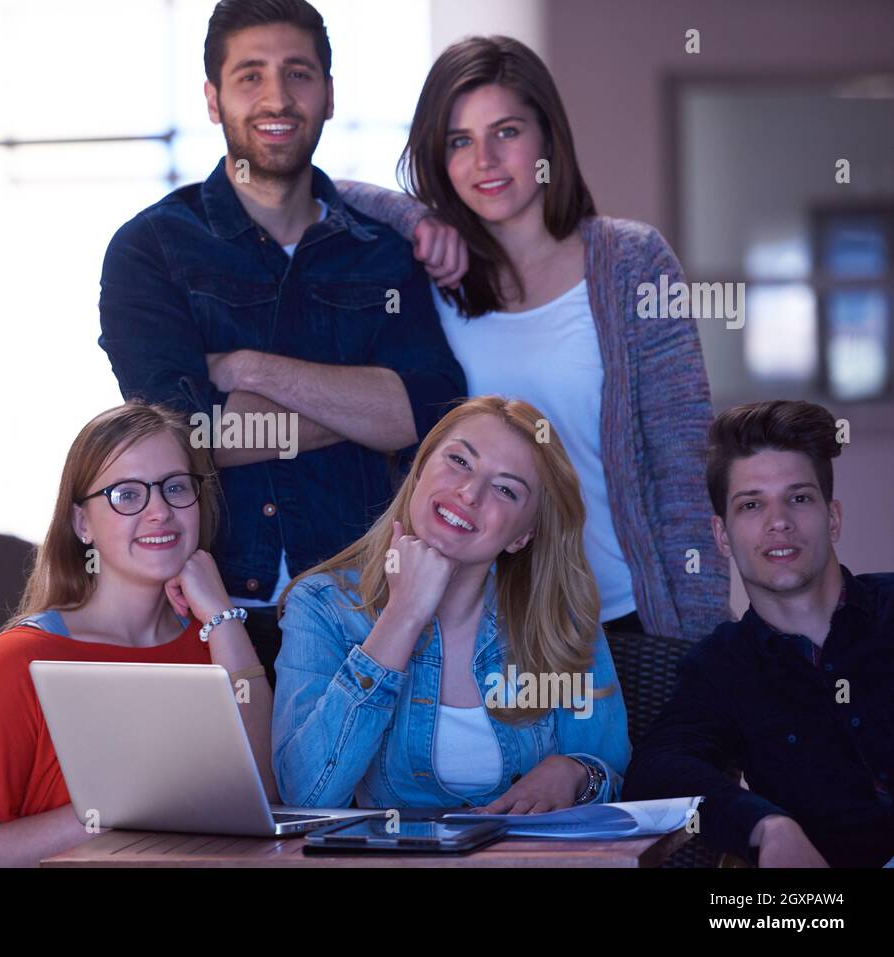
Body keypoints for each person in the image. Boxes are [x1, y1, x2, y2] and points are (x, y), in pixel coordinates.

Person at [98, 0, 467, 684]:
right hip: (196, 608)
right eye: (250, 76)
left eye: (298, 74)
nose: (277, 97)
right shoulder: (151, 249)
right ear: (213, 99)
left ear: (328, 94)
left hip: (364, 609)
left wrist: (249, 369)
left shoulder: (383, 253)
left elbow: (431, 413)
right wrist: (363, 411)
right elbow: (181, 438)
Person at [337, 35, 728, 641]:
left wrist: (703, 643)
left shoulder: (631, 260)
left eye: (507, 132)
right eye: (458, 142)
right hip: (470, 629)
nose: (484, 161)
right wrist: (417, 218)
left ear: (548, 137)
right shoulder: (424, 271)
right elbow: (322, 192)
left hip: (619, 618)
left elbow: (683, 465)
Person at [0, 401, 276, 867]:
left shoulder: (213, 640)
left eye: (175, 487)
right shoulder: (23, 658)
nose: (160, 512)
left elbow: (263, 796)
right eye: (127, 495)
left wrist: (222, 615)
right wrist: (118, 810)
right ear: (82, 523)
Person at [272, 395, 629, 812]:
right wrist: (402, 616)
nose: (469, 492)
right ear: (420, 469)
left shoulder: (559, 618)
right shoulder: (320, 607)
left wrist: (575, 773)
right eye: (460, 461)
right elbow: (306, 795)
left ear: (521, 536)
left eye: (505, 489)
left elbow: (612, 777)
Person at [623, 400, 894, 868]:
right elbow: (655, 772)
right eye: (751, 504)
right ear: (722, 535)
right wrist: (766, 825)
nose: (778, 522)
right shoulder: (722, 667)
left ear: (833, 518)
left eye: (799, 497)